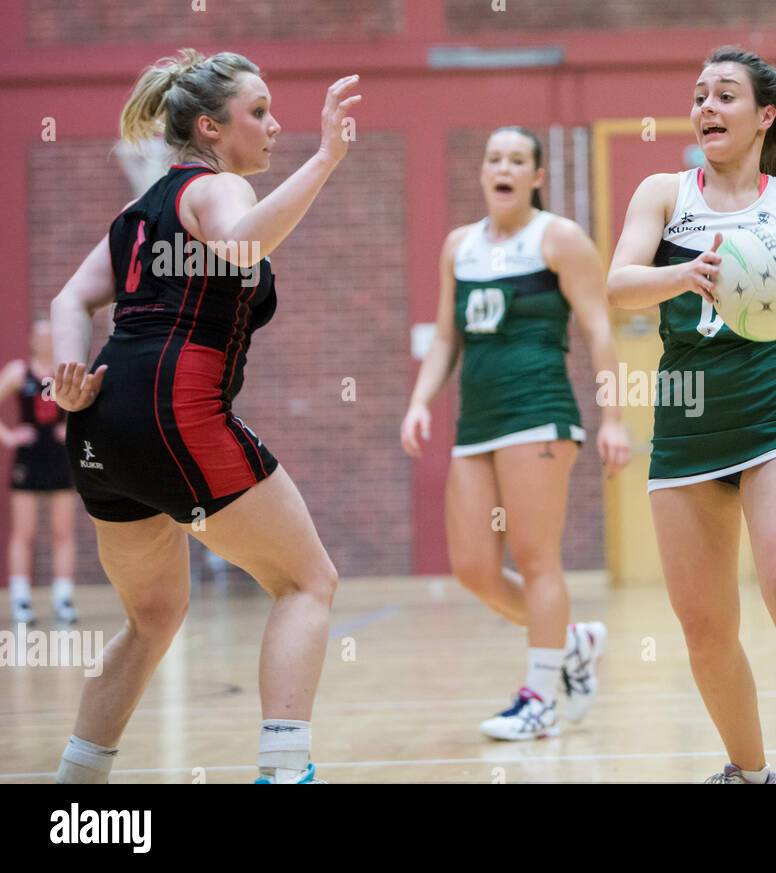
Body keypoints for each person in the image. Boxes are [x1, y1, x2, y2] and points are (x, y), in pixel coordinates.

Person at [49, 49, 360, 783]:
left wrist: (65, 373)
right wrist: (323, 160)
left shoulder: (138, 211)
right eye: (259, 111)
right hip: (174, 415)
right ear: (211, 128)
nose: (275, 124)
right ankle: (284, 773)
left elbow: (70, 301)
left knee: (151, 619)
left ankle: (76, 793)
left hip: (100, 430)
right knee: (307, 582)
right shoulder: (213, 188)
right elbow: (241, 241)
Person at [606, 47, 776, 783]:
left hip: (771, 416)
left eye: (725, 95)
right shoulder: (663, 193)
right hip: (686, 426)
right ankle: (748, 771)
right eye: (698, 96)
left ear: (765, 116)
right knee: (704, 628)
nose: (707, 108)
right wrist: (684, 272)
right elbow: (619, 285)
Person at [401, 126, 631, 740]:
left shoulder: (559, 238)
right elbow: (447, 335)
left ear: (536, 176)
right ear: (483, 172)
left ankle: (540, 698)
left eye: (518, 160)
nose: (504, 167)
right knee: (474, 569)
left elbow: (600, 331)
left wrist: (613, 417)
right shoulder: (458, 245)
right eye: (494, 158)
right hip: (476, 422)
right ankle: (574, 642)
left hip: (540, 414)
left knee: (535, 559)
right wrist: (421, 402)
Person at [1, 321, 79, 624]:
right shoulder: (18, 372)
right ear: (33, 340)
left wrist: (70, 429)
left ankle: (63, 600)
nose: (46, 341)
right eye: (41, 336)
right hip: (30, 457)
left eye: (51, 336)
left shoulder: (66, 373)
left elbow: (88, 408)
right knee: (24, 531)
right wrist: (8, 436)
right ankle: (21, 601)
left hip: (60, 456)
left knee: (63, 531)